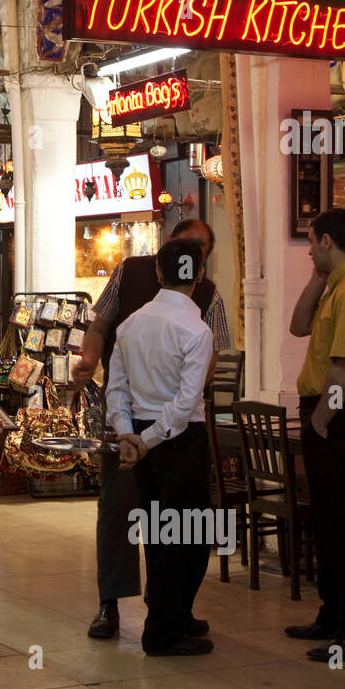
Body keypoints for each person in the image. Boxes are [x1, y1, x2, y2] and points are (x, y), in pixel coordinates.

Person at [71, 218, 231, 640]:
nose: (193, 257)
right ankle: (117, 605)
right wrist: (90, 362)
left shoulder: (208, 300)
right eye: (187, 246)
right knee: (124, 511)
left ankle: (168, 609)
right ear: (166, 251)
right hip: (148, 426)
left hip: (148, 423)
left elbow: (208, 363)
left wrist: (142, 427)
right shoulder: (129, 273)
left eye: (201, 249)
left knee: (170, 524)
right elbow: (100, 327)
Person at [106, 239, 216, 656]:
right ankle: (163, 631)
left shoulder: (131, 324)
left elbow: (116, 389)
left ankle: (175, 614)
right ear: (199, 275)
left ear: (158, 272)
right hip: (178, 440)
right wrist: (147, 441)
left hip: (140, 436)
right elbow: (187, 403)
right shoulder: (196, 329)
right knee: (188, 536)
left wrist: (127, 435)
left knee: (158, 532)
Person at [286, 209, 345, 662]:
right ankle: (331, 615)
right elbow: (298, 325)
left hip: (338, 416)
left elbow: (344, 368)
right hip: (326, 412)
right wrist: (316, 272)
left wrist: (323, 419)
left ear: (327, 240)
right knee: (327, 523)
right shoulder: (338, 285)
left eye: (311, 243)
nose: (307, 249)